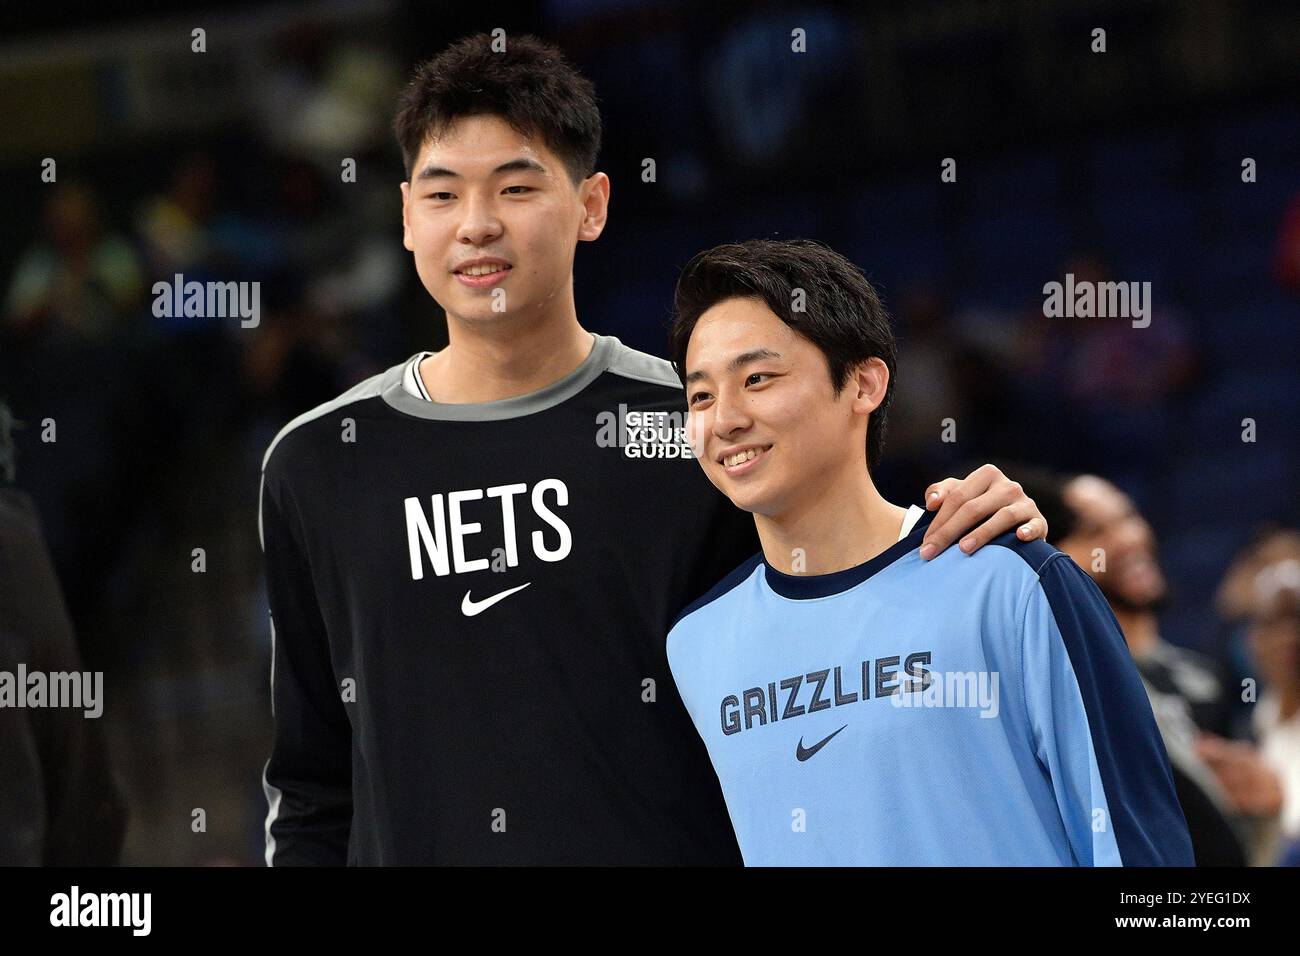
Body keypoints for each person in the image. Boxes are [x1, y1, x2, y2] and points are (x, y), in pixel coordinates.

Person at [260, 34, 1050, 865]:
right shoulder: (318, 464)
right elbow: (313, 788)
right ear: (407, 218)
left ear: (593, 205)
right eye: (443, 194)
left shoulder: (703, 425)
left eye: (516, 187)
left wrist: (968, 532)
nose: (478, 225)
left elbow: (851, 603)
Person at [665, 239, 1192, 865]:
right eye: (700, 396)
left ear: (864, 383)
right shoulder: (694, 646)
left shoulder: (1013, 581)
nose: (723, 419)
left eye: (757, 379)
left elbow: (1140, 855)